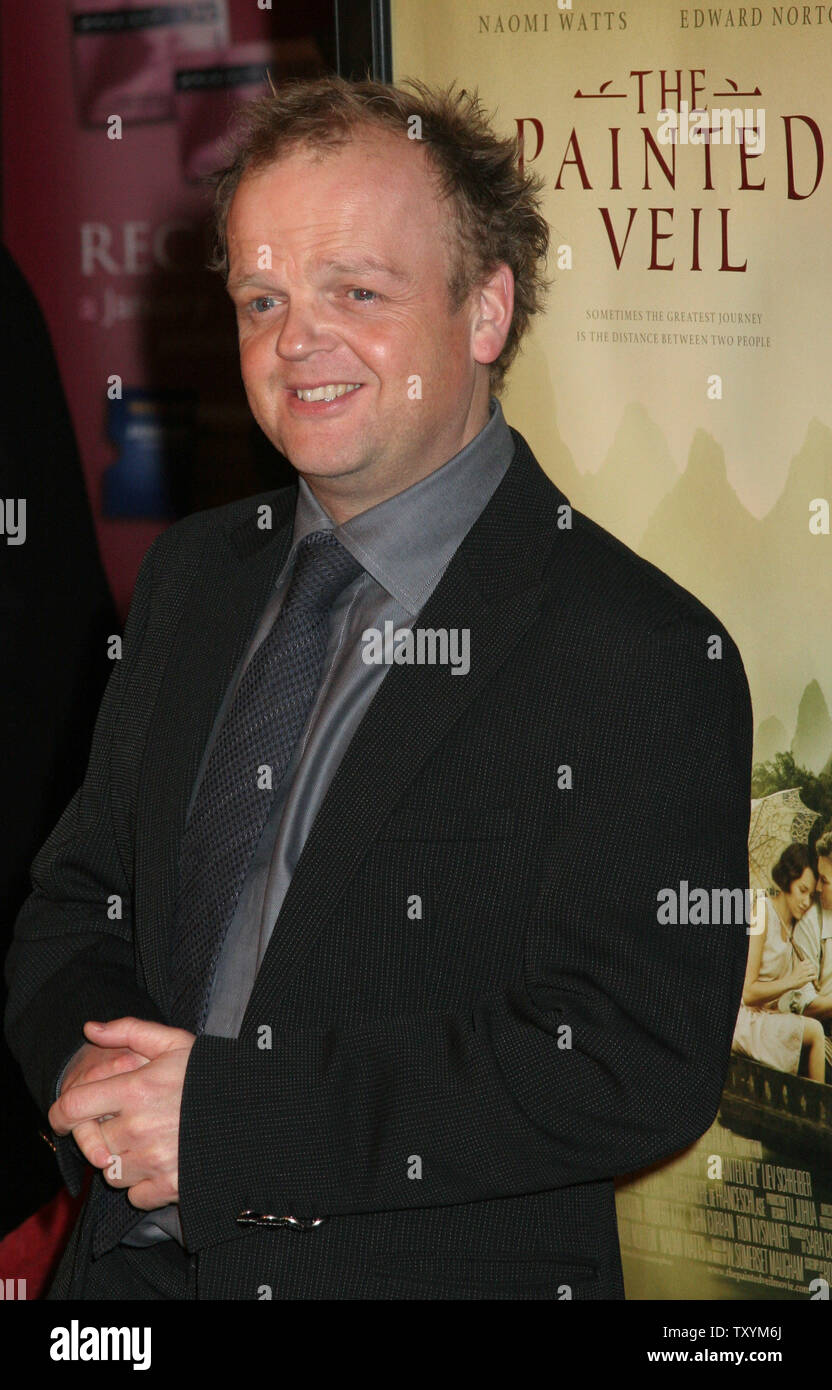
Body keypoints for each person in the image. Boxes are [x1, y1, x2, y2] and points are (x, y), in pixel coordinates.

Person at [5, 76, 753, 1302]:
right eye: (264, 298)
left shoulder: (641, 649)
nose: (297, 339)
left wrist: (229, 1124)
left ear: (485, 311)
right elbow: (74, 905)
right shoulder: (195, 573)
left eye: (357, 291)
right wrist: (102, 1096)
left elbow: (630, 1061)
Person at [732, 843, 827, 1082]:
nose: (806, 902)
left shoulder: (793, 928)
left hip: (766, 1016)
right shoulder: (762, 912)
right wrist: (791, 980)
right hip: (745, 1021)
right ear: (787, 882)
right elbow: (748, 993)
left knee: (812, 1026)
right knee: (815, 1031)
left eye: (811, 895)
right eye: (801, 890)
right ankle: (820, 1113)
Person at [794, 829, 832, 1068]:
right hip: (824, 1037)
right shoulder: (811, 923)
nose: (817, 887)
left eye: (825, 880)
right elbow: (805, 1006)